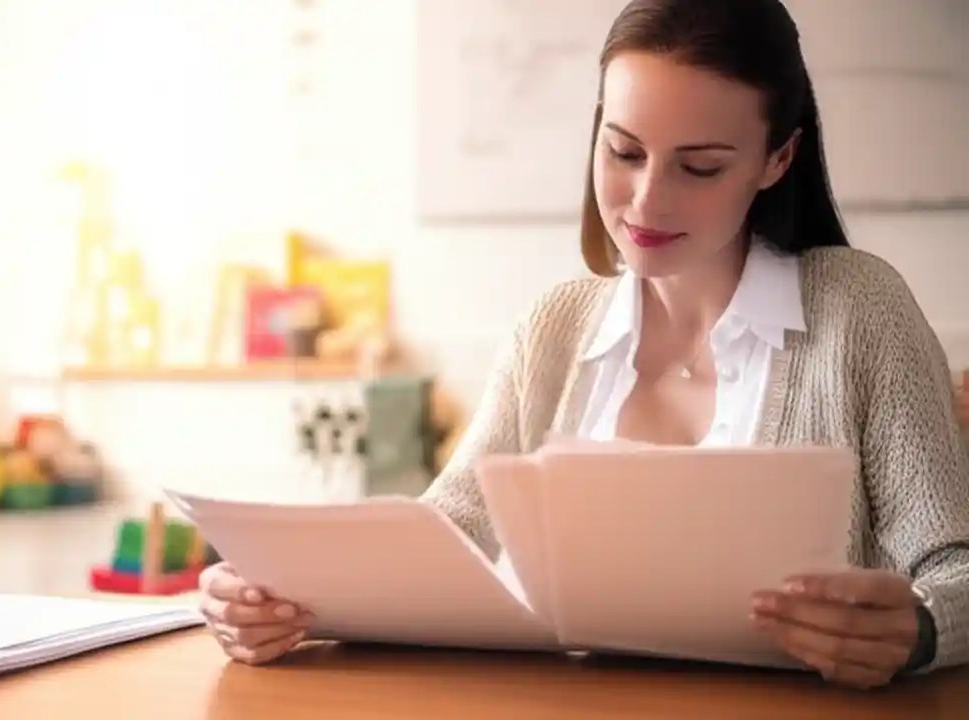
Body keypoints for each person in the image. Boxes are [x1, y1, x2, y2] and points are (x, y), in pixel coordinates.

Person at [197, 0, 969, 689]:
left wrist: (922, 628)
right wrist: (273, 596)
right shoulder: (554, 327)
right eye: (624, 151)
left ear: (778, 159)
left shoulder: (860, 311)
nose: (647, 201)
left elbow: (954, 569)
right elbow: (442, 539)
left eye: (700, 167)